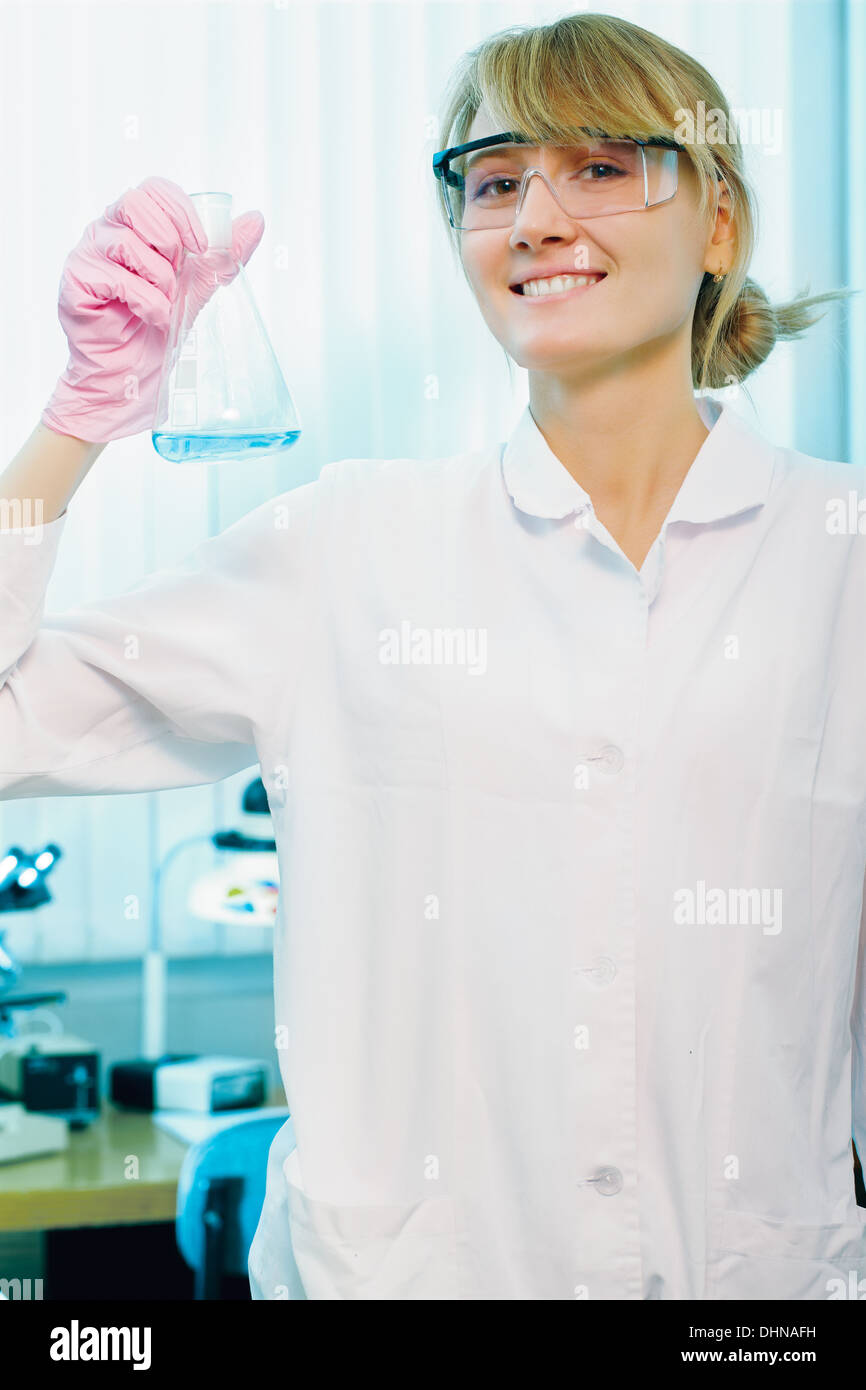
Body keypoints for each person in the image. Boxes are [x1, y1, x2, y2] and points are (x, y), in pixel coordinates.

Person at [1, 11, 865, 1300]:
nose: (535, 217)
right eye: (496, 179)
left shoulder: (839, 557)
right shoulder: (343, 547)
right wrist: (74, 425)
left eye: (603, 167)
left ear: (721, 223)